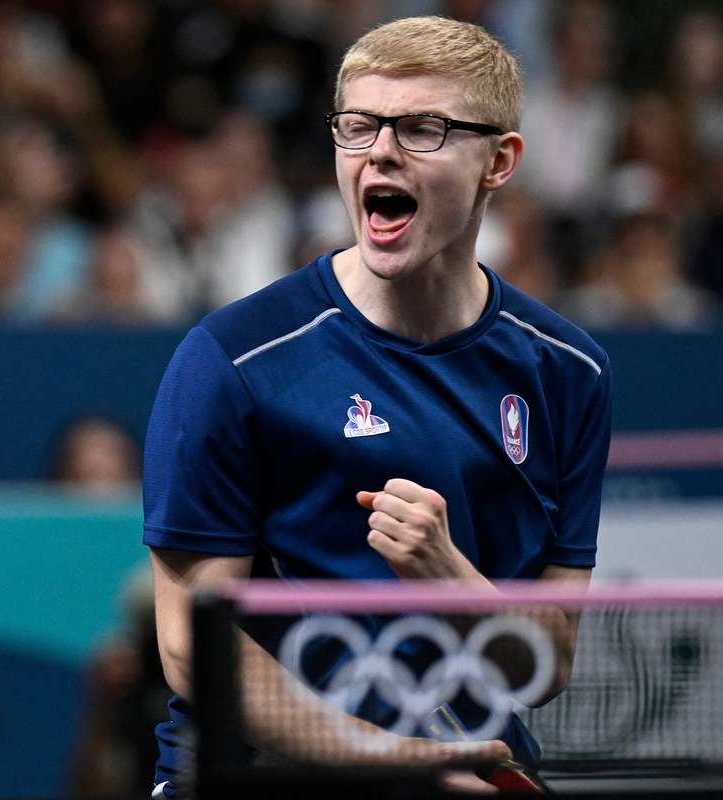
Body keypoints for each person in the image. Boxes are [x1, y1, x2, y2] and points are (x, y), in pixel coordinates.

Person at [142, 16, 612, 798]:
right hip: (260, 781)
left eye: (423, 128)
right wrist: (402, 768)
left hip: (467, 766)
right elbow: (196, 648)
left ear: (500, 161)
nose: (379, 151)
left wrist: (448, 576)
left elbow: (546, 664)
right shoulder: (233, 360)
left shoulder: (567, 372)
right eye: (357, 126)